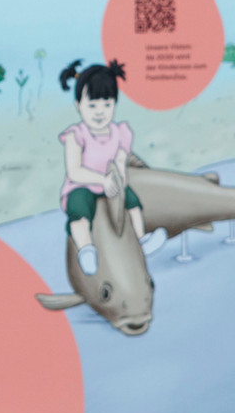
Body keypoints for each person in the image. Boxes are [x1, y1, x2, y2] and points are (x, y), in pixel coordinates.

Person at [57, 59, 167, 273]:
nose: (100, 112)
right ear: (78, 105)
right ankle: (86, 250)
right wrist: (102, 180)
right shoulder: (75, 135)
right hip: (82, 185)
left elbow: (120, 162)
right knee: (78, 211)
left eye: (107, 105)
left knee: (133, 203)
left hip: (111, 182)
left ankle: (141, 239)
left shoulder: (121, 132)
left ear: (115, 104)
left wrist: (118, 182)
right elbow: (74, 171)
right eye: (92, 105)